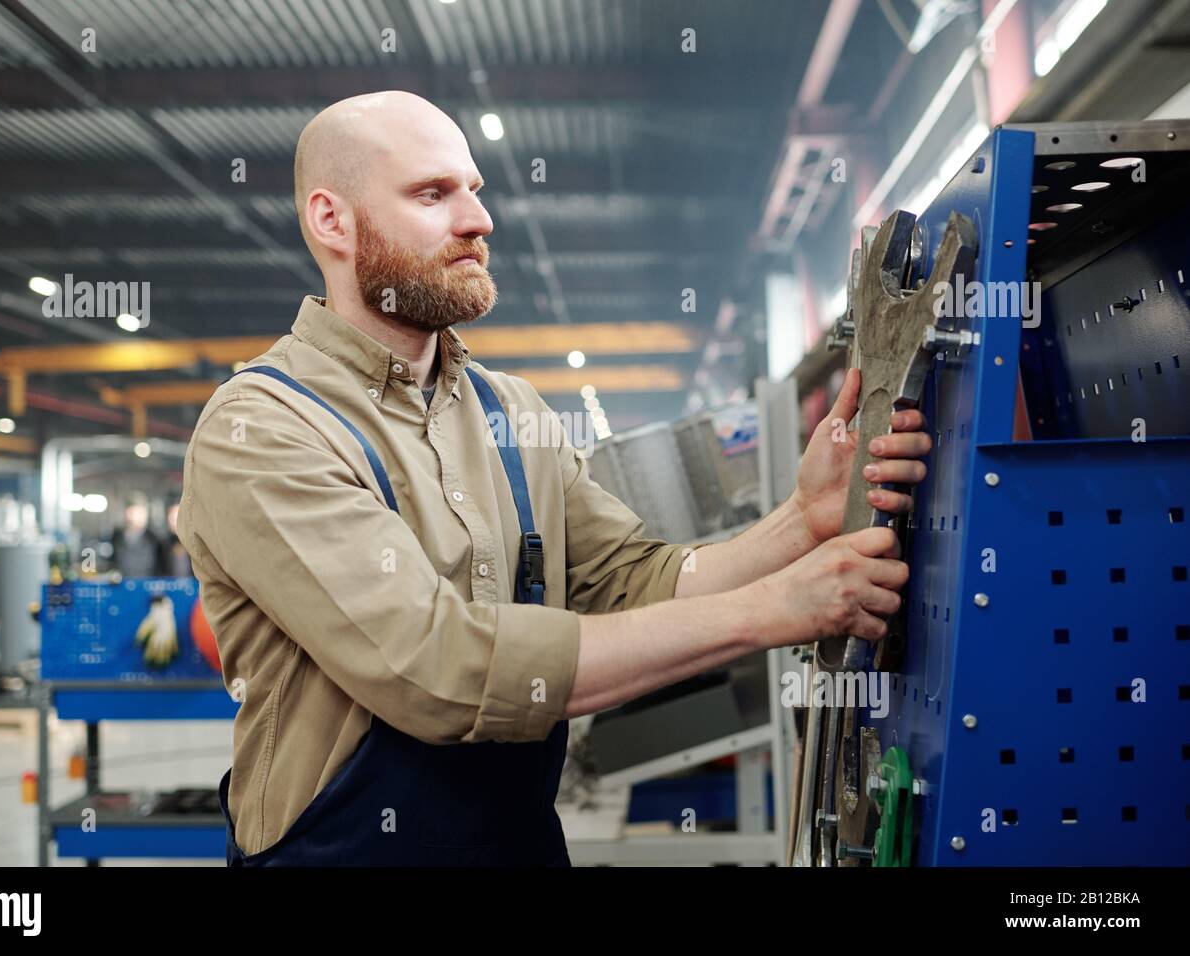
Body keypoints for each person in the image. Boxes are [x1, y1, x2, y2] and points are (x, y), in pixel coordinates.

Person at [178, 92, 931, 866]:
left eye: (475, 190)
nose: (479, 220)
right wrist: (778, 608)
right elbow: (436, 668)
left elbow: (636, 580)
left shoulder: (510, 410)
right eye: (433, 194)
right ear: (331, 221)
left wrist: (801, 519)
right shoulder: (261, 427)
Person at [109, 493, 165, 578]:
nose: (134, 516)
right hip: (123, 587)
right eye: (131, 512)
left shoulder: (155, 539)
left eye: (139, 512)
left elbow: (162, 569)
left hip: (147, 587)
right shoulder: (116, 538)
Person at [164, 502, 192, 578]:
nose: (174, 521)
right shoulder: (164, 544)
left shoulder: (193, 542)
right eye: (171, 518)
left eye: (177, 517)